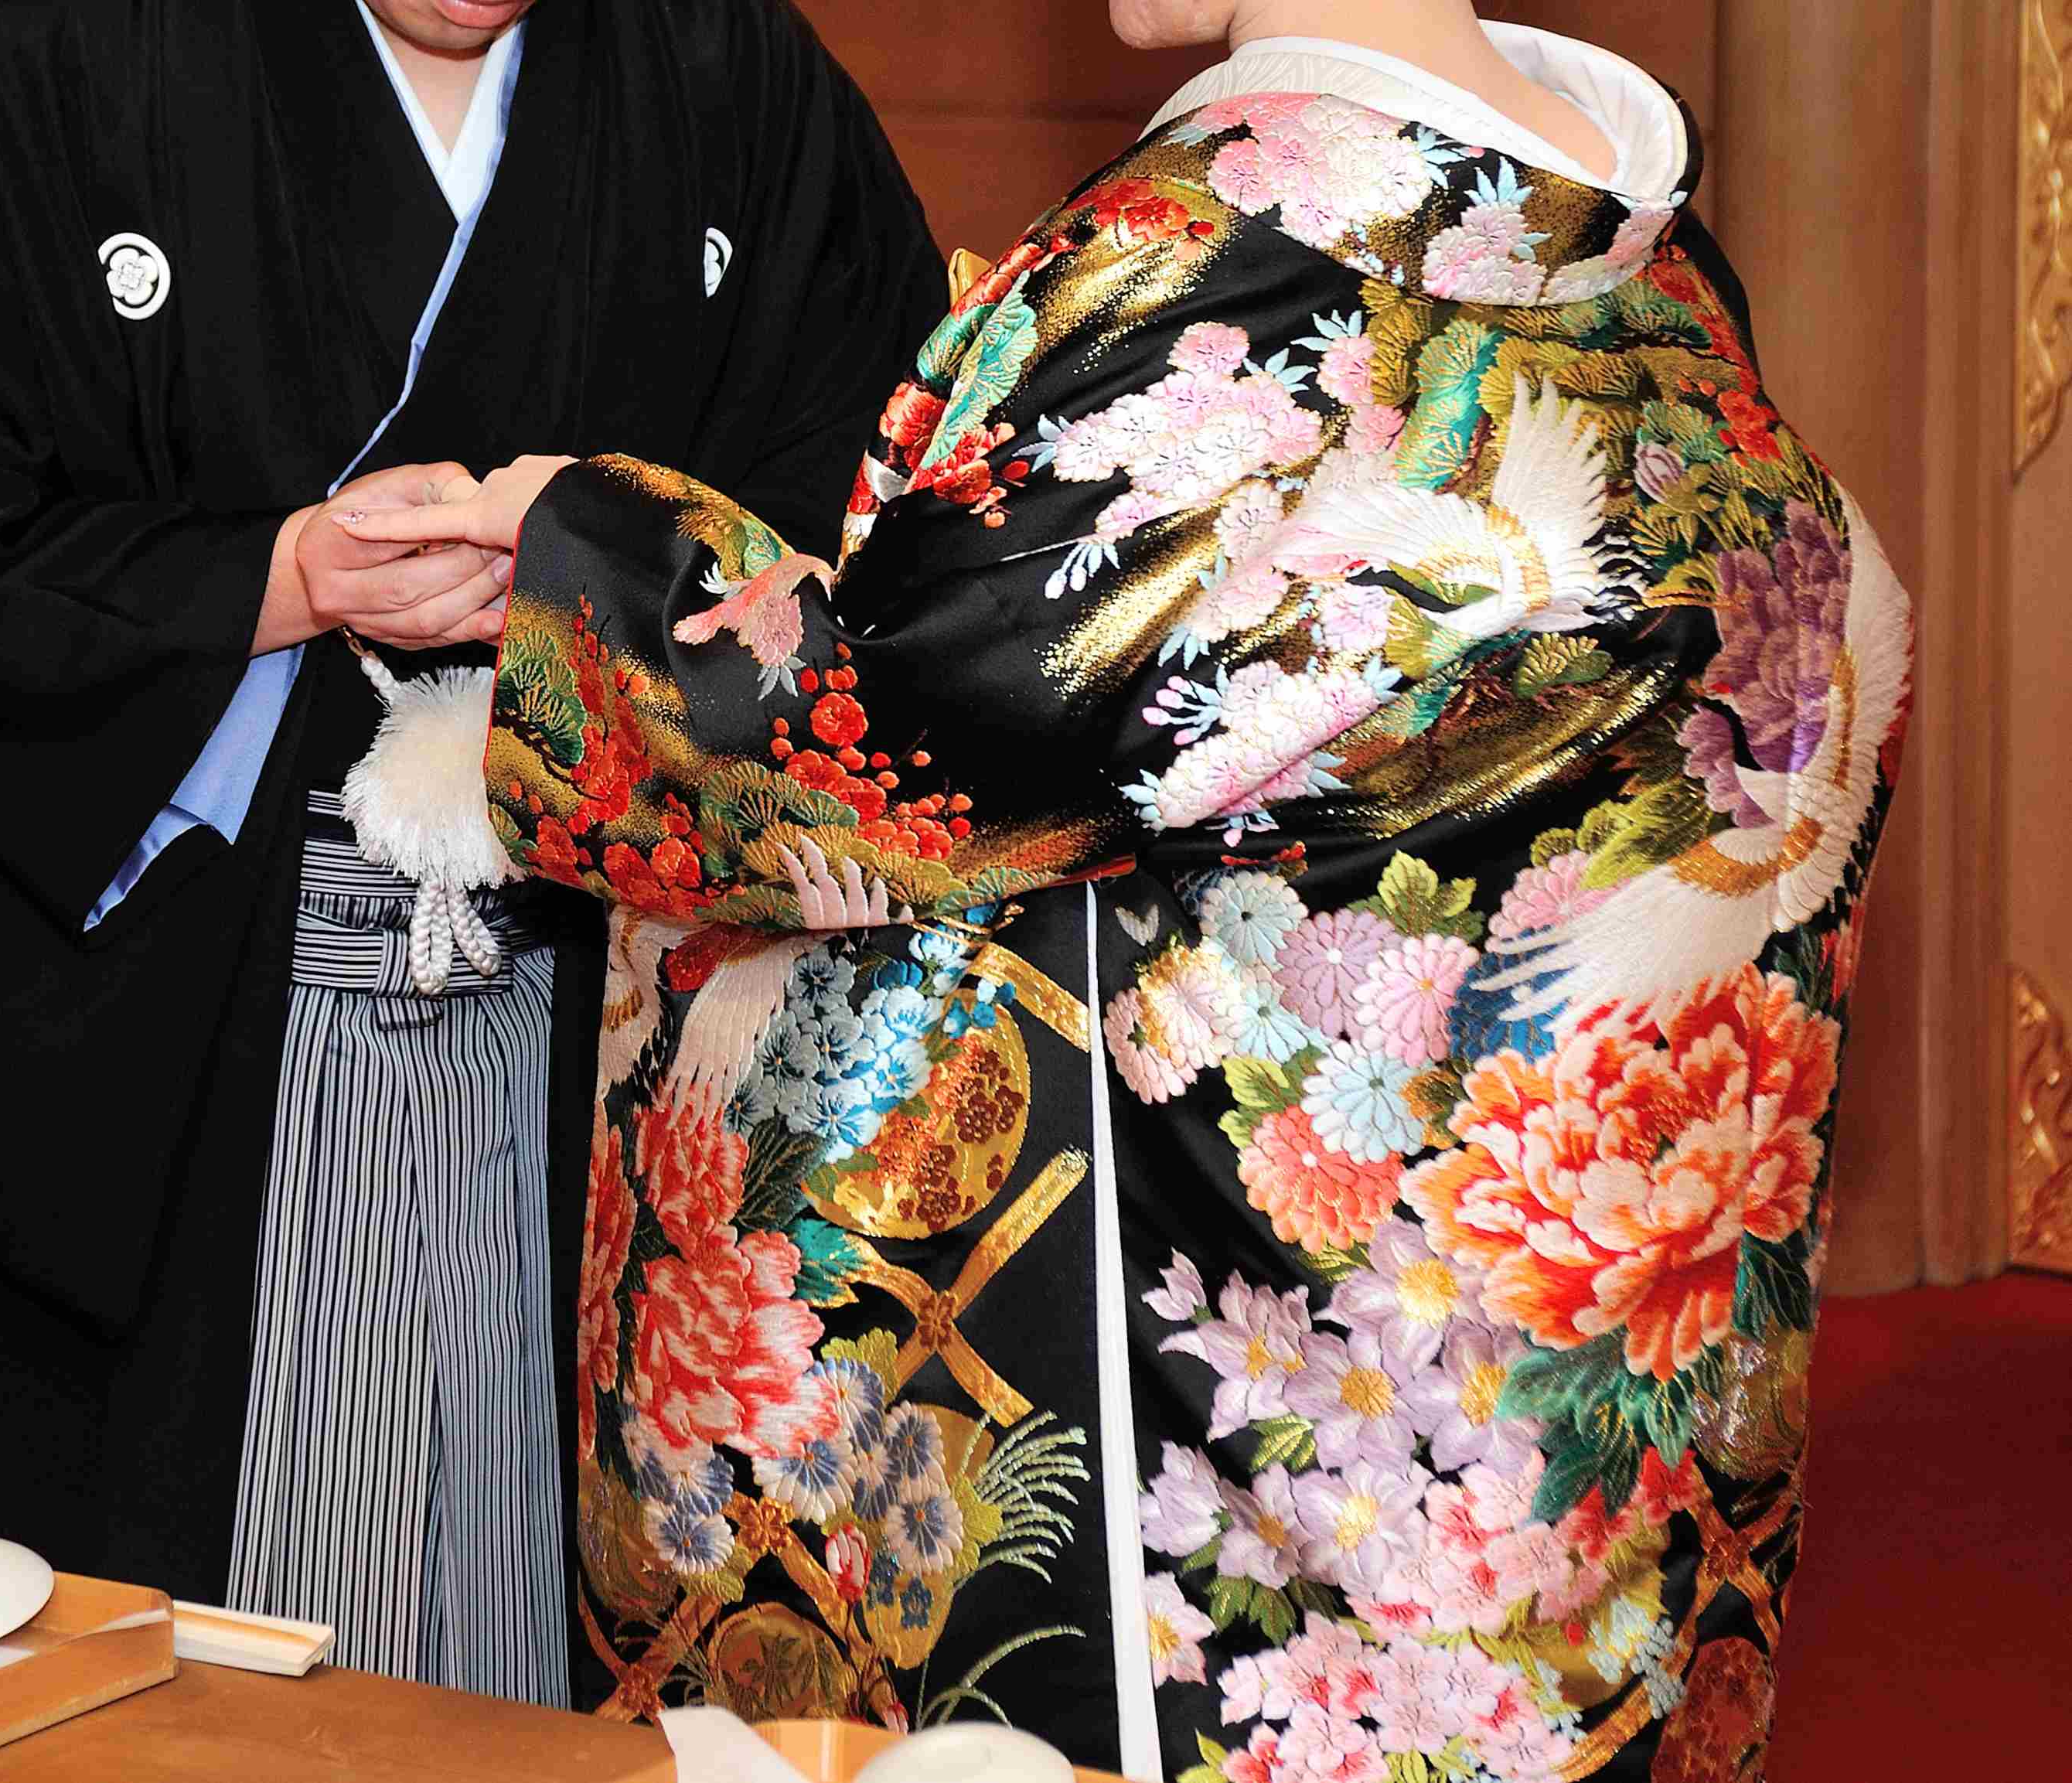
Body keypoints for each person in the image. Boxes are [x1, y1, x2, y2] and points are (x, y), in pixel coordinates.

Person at [339, 0, 1911, 1771]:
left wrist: (584, 548)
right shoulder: (1642, 241)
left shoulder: (1219, 266)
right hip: (1545, 1454)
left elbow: (892, 756)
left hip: (1256, 1474)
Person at [0, 0, 942, 1703]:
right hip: (216, 1013)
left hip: (593, 1021)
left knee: (524, 1651)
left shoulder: (720, 65)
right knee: (240, 1677)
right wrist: (280, 579)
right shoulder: (76, 57)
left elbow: (876, 513)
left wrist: (605, 582)